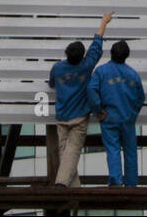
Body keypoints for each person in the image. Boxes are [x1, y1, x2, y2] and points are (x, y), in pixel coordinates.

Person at [47, 12, 113, 186]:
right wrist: (103, 22)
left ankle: (74, 188)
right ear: (81, 56)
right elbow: (96, 46)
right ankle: (61, 184)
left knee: (65, 154)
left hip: (61, 117)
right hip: (80, 116)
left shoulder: (58, 68)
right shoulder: (86, 65)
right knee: (73, 152)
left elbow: (52, 84)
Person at [86, 40, 146, 187]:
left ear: (111, 53)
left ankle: (115, 181)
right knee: (130, 151)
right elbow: (141, 97)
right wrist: (133, 113)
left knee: (113, 149)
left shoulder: (101, 71)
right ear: (127, 56)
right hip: (128, 118)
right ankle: (131, 183)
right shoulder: (133, 74)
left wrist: (98, 110)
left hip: (109, 117)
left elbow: (91, 90)